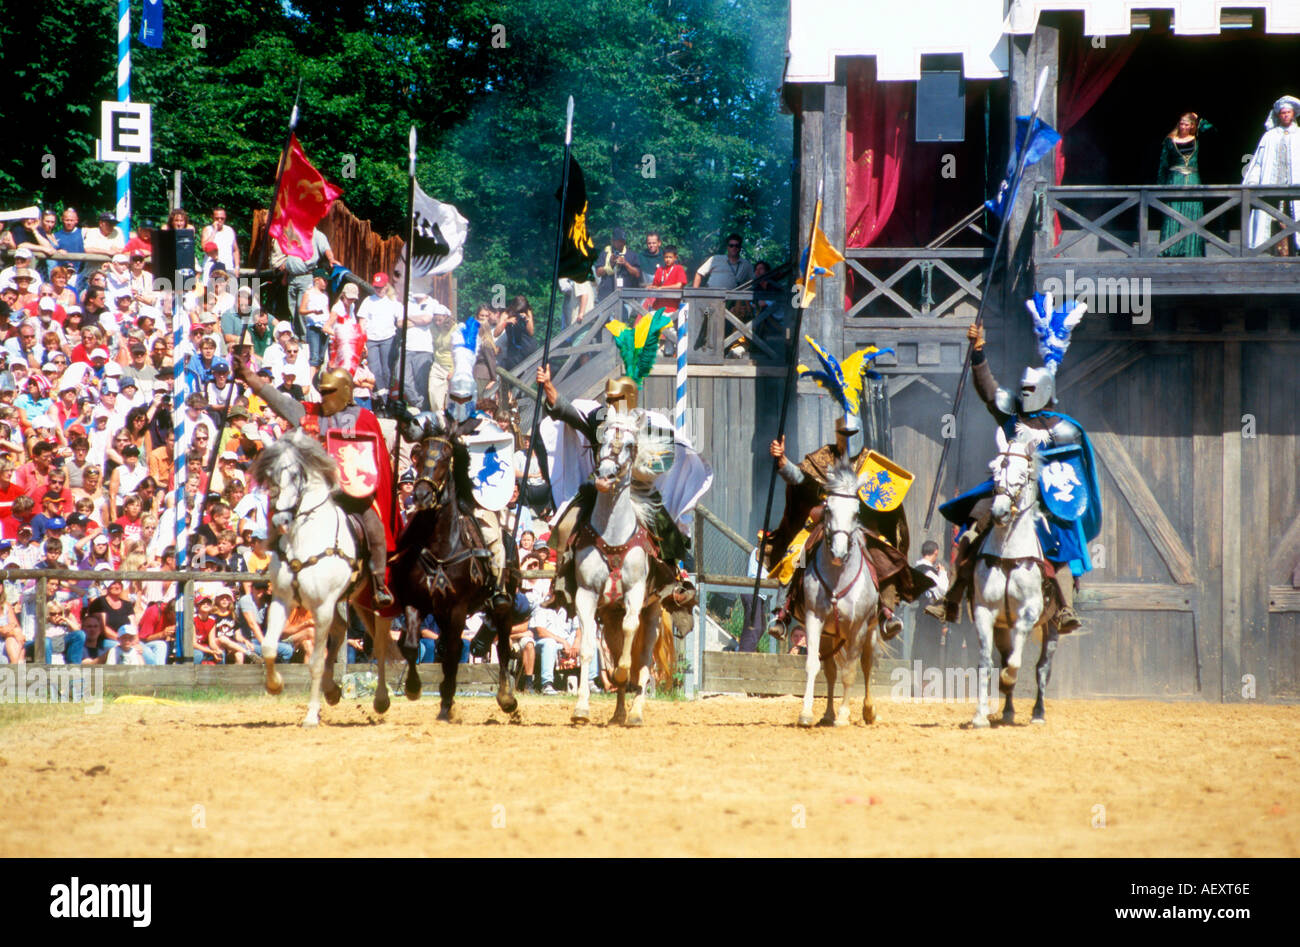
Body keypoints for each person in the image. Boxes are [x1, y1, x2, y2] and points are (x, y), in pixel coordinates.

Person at [925, 321, 1101, 634]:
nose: (1024, 395)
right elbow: (989, 391)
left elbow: (1071, 475)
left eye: (1030, 391)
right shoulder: (1012, 415)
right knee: (969, 534)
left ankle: (1064, 609)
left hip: (1044, 502)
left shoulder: (1064, 429)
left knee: (1061, 545)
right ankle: (951, 599)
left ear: (1045, 392)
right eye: (1023, 390)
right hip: (1005, 491)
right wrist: (978, 353)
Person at [533, 362, 696, 627]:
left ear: (628, 399)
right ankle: (560, 585)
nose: (609, 403)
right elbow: (568, 412)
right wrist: (548, 385)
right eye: (609, 399)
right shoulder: (599, 421)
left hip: (638, 488)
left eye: (615, 399)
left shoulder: (648, 424)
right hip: (598, 484)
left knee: (665, 528)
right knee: (564, 526)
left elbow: (662, 460)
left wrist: (635, 472)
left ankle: (674, 581)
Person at [234, 356, 395, 607]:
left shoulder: (364, 418)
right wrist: (249, 376)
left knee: (374, 528)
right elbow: (277, 400)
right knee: (283, 512)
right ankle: (276, 560)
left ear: (345, 391)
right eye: (322, 391)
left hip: (350, 494)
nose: (324, 396)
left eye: (330, 391)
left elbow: (373, 457)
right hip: (314, 490)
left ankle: (378, 583)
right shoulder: (308, 414)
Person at [1244, 95, 1300, 254]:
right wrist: (1253, 181)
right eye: (1283, 113)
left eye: (1288, 112)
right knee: (1273, 221)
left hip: (1295, 187)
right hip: (1273, 187)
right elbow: (1259, 162)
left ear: (1294, 114)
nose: (1285, 115)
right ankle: (1278, 255)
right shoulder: (1270, 136)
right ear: (1278, 115)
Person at [1157, 113, 1212, 257]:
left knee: (1191, 210)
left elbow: (1212, 130)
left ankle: (1191, 249)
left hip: (1193, 178)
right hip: (1175, 179)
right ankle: (1171, 248)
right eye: (1181, 124)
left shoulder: (1196, 139)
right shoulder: (1170, 141)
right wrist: (1160, 186)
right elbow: (1163, 164)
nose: (1183, 127)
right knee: (1174, 212)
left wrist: (1199, 118)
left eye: (1187, 124)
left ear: (1192, 126)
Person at [594, 227, 642, 306]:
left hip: (626, 298)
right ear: (613, 241)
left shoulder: (631, 255)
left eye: (623, 241)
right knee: (605, 318)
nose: (621, 243)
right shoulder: (605, 253)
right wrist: (611, 264)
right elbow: (598, 272)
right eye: (619, 241)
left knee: (623, 318)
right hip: (606, 296)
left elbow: (637, 274)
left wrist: (626, 264)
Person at [644, 244, 687, 314]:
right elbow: (656, 286)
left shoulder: (679, 268)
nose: (667, 259)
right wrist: (651, 287)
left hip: (672, 309)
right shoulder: (660, 270)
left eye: (670, 257)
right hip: (657, 307)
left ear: (675, 258)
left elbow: (679, 286)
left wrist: (662, 288)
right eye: (666, 257)